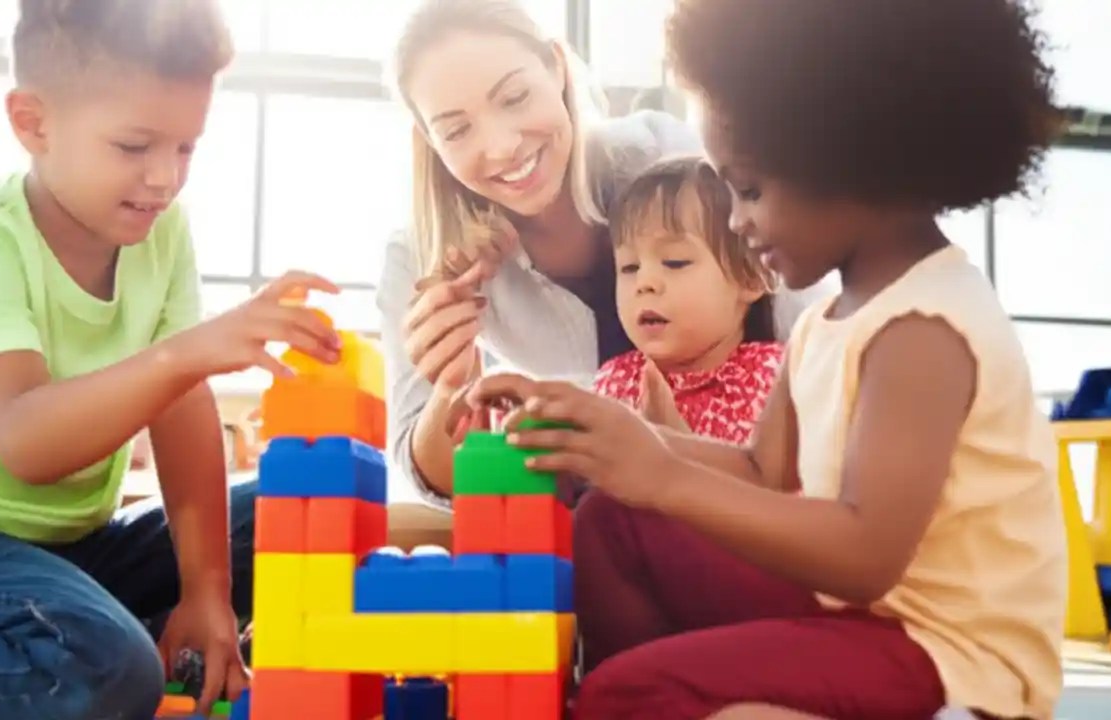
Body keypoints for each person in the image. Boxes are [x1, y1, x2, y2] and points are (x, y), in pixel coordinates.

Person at [452, 0, 1068, 717]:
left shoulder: (922, 329)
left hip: (947, 654)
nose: (738, 221)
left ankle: (672, 697)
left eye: (747, 190)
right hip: (866, 616)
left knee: (625, 696)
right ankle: (699, 689)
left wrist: (660, 473)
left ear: (849, 157)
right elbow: (761, 472)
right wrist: (609, 438)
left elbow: (867, 554)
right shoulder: (833, 320)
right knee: (612, 523)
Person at [0, 1, 342, 717]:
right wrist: (183, 355)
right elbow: (27, 441)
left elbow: (180, 406)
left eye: (186, 148)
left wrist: (207, 591)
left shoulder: (160, 232)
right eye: (135, 147)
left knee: (299, 510)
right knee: (100, 660)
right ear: (33, 123)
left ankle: (118, 651)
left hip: (60, 549)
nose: (165, 178)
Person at [377, 0, 829, 532]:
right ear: (428, 140)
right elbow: (426, 474)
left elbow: (815, 337)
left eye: (516, 97)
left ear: (557, 66)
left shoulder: (670, 162)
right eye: (455, 131)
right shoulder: (422, 257)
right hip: (603, 523)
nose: (500, 147)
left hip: (755, 500)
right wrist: (454, 390)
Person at [593, 155, 781, 443]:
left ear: (751, 276)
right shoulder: (613, 383)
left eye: (675, 262)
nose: (644, 283)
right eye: (630, 267)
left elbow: (782, 486)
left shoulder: (778, 382)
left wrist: (676, 447)